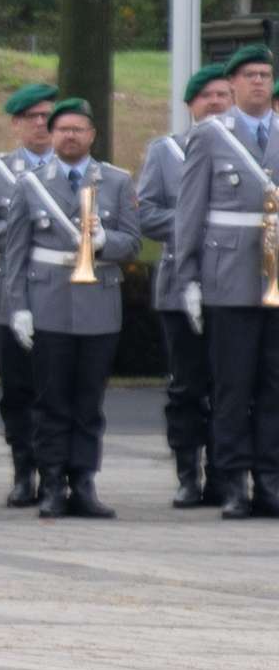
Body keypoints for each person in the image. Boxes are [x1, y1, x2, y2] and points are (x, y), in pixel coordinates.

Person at [0, 100, 134, 518]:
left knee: (89, 402)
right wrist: (18, 306)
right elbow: (16, 252)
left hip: (98, 305)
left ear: (92, 135)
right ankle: (52, 482)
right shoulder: (31, 184)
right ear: (52, 136)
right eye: (63, 129)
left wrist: (105, 242)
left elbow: (132, 241)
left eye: (78, 129)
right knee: (50, 399)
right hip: (49, 303)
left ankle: (84, 481)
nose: (70, 136)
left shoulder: (116, 181)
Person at [175, 43, 279, 519]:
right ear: (233, 84)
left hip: (275, 279)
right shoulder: (211, 136)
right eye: (250, 75)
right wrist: (189, 277)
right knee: (233, 387)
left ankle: (270, 480)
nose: (258, 81)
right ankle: (233, 480)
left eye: (265, 74)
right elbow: (190, 212)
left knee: (274, 388)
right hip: (229, 278)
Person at [137, 61, 232, 507]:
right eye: (205, 96)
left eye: (222, 95)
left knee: (231, 385)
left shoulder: (252, 150)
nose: (214, 102)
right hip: (180, 285)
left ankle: (224, 474)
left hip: (234, 283)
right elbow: (147, 213)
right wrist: (198, 224)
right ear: (191, 104)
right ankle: (188, 474)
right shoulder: (166, 152)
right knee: (187, 386)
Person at [0, 84, 61, 506]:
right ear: (16, 125)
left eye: (47, 116)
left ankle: (58, 473)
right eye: (32, 117)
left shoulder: (77, 172)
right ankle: (24, 472)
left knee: (57, 388)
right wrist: (32, 231)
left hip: (61, 292)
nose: (41, 124)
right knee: (18, 389)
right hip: (13, 290)